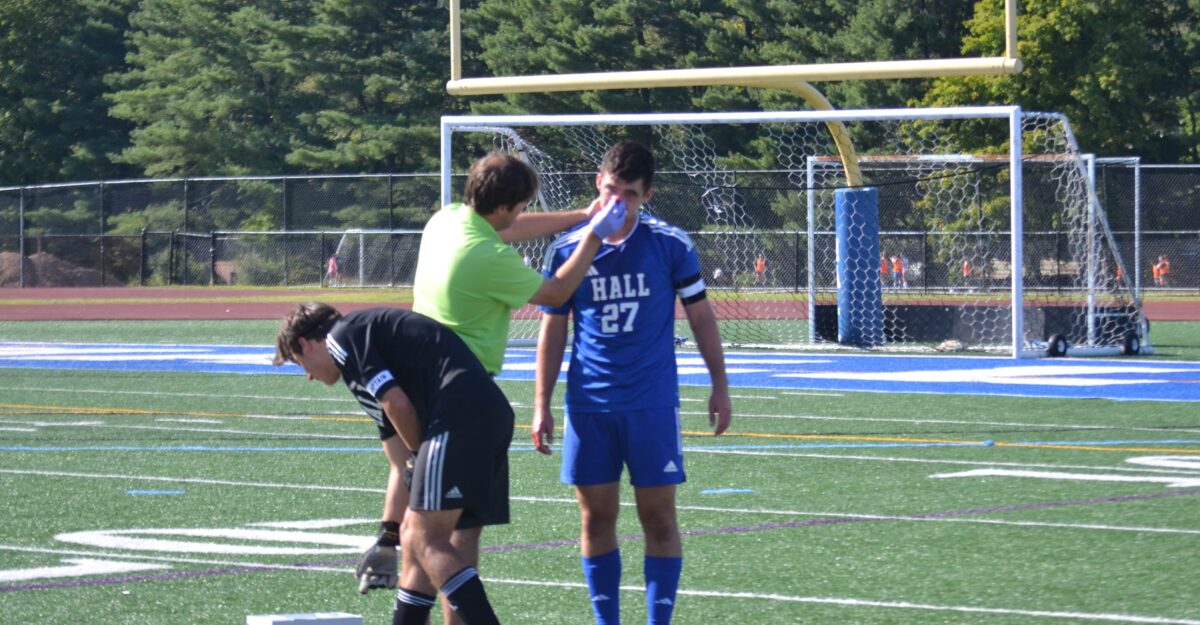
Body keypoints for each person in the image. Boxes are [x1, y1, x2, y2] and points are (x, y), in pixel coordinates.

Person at [532, 141, 733, 625]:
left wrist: (719, 385)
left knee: (659, 518)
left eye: (627, 194)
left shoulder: (670, 244)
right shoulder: (568, 246)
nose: (615, 203)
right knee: (596, 518)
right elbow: (553, 325)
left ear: (647, 196)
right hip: (590, 404)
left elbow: (702, 317)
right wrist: (541, 402)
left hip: (651, 403)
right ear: (596, 187)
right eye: (608, 191)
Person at [274, 303, 511, 625]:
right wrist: (388, 537)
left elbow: (396, 404)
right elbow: (401, 463)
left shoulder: (341, 338)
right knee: (426, 535)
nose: (308, 376)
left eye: (300, 362)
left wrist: (420, 458)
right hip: (486, 415)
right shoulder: (358, 364)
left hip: (458, 419)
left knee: (425, 539)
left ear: (304, 343)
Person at [413, 152, 628, 376]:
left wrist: (584, 215)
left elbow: (512, 228)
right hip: (459, 378)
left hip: (423, 365)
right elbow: (555, 294)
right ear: (503, 208)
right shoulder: (491, 257)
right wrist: (594, 236)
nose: (521, 212)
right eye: (522, 206)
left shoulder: (446, 218)